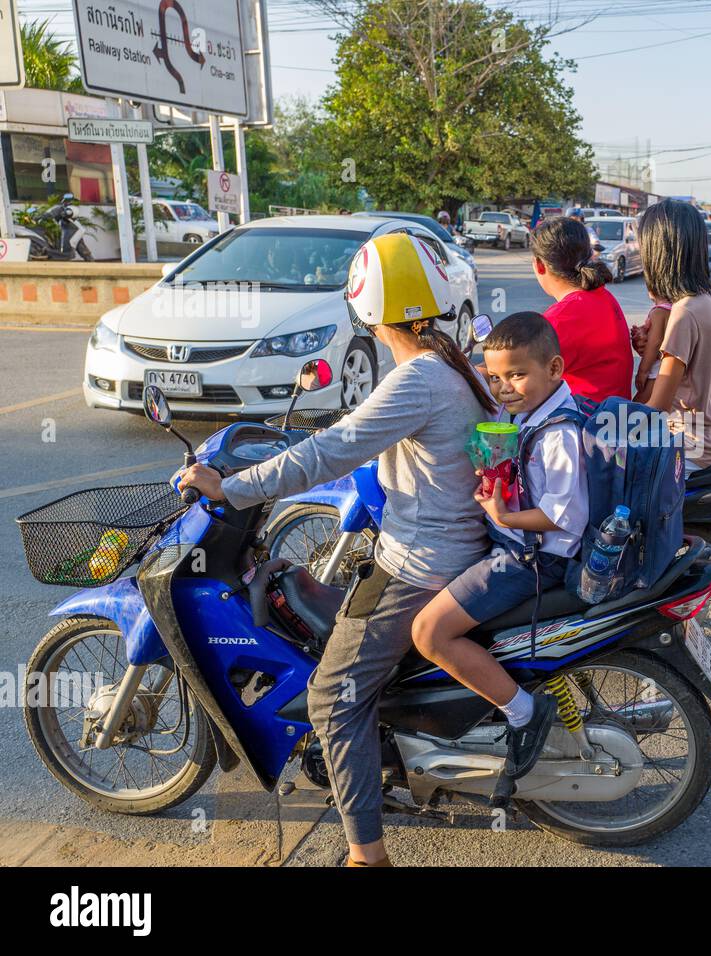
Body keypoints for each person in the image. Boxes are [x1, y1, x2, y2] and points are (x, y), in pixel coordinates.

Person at [178, 233, 496, 867]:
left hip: (422, 567)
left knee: (333, 695)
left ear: (370, 310)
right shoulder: (450, 362)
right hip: (450, 547)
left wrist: (230, 487)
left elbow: (329, 452)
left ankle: (365, 855)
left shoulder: (419, 379)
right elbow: (347, 436)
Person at [409, 312, 587, 804]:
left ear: (554, 368)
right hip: (515, 546)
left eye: (516, 375)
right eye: (495, 377)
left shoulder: (559, 433)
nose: (504, 387)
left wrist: (505, 517)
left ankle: (523, 712)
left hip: (530, 561)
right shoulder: (534, 413)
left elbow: (565, 515)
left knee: (428, 632)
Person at [638, 198, 711, 470]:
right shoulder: (708, 297)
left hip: (688, 444)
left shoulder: (685, 311)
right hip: (709, 434)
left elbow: (657, 405)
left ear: (659, 255)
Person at [530, 216, 633, 402]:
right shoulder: (603, 296)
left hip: (581, 425)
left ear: (539, 265)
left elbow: (517, 374)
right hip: (613, 420)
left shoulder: (561, 318)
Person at [634, 295, 672, 403]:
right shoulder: (677, 308)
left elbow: (654, 343)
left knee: (636, 408)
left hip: (658, 372)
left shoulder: (659, 311)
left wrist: (642, 372)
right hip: (669, 368)